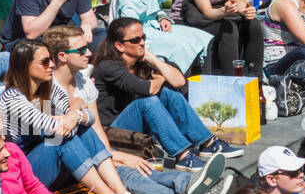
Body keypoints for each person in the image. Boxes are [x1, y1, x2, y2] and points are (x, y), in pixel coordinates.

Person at [93, 14, 239, 171]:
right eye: (135, 40)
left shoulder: (141, 60)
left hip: (136, 128)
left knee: (168, 92)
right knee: (148, 100)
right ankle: (183, 156)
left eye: (143, 37)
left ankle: (208, 143)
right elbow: (148, 89)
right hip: (113, 131)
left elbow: (179, 81)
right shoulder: (108, 67)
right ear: (119, 46)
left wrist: (154, 59)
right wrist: (161, 78)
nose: (142, 42)